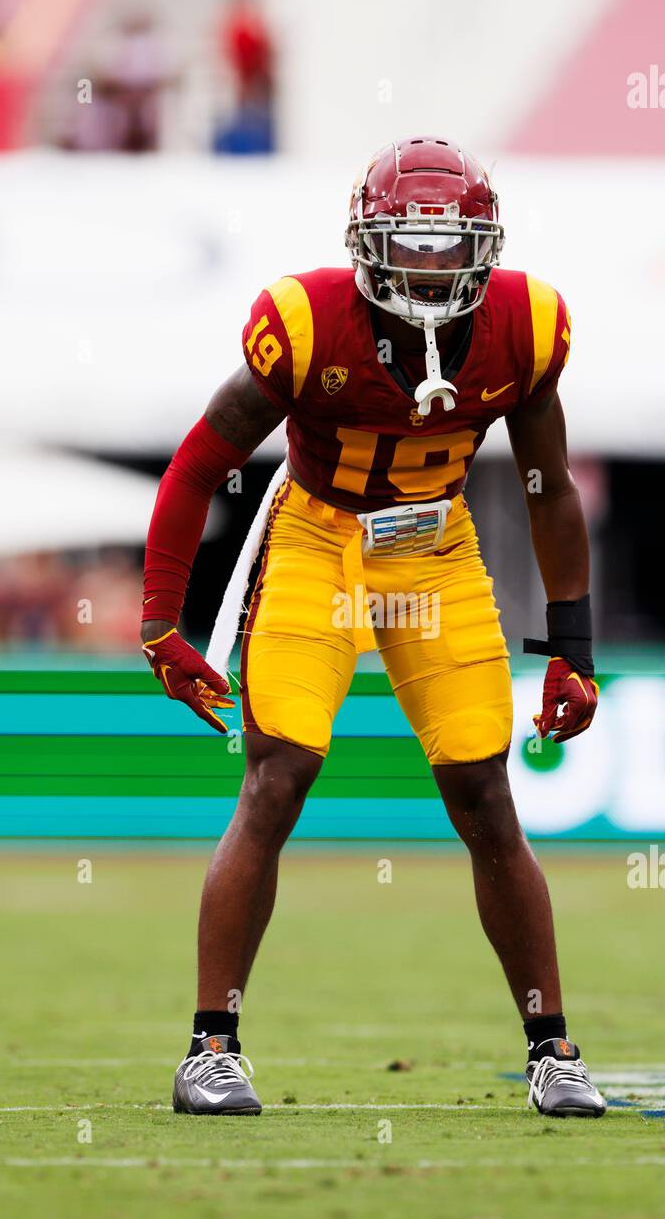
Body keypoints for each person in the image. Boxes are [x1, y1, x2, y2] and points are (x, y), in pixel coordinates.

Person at [141, 136, 605, 1120]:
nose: (433, 267)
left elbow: (547, 487)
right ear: (366, 241)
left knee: (483, 789)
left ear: (485, 247)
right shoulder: (304, 322)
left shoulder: (525, 325)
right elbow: (194, 465)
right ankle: (209, 1047)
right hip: (315, 540)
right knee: (276, 774)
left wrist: (572, 646)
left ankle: (551, 1047)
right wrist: (158, 624)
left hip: (431, 550)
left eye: (452, 246)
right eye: (414, 244)